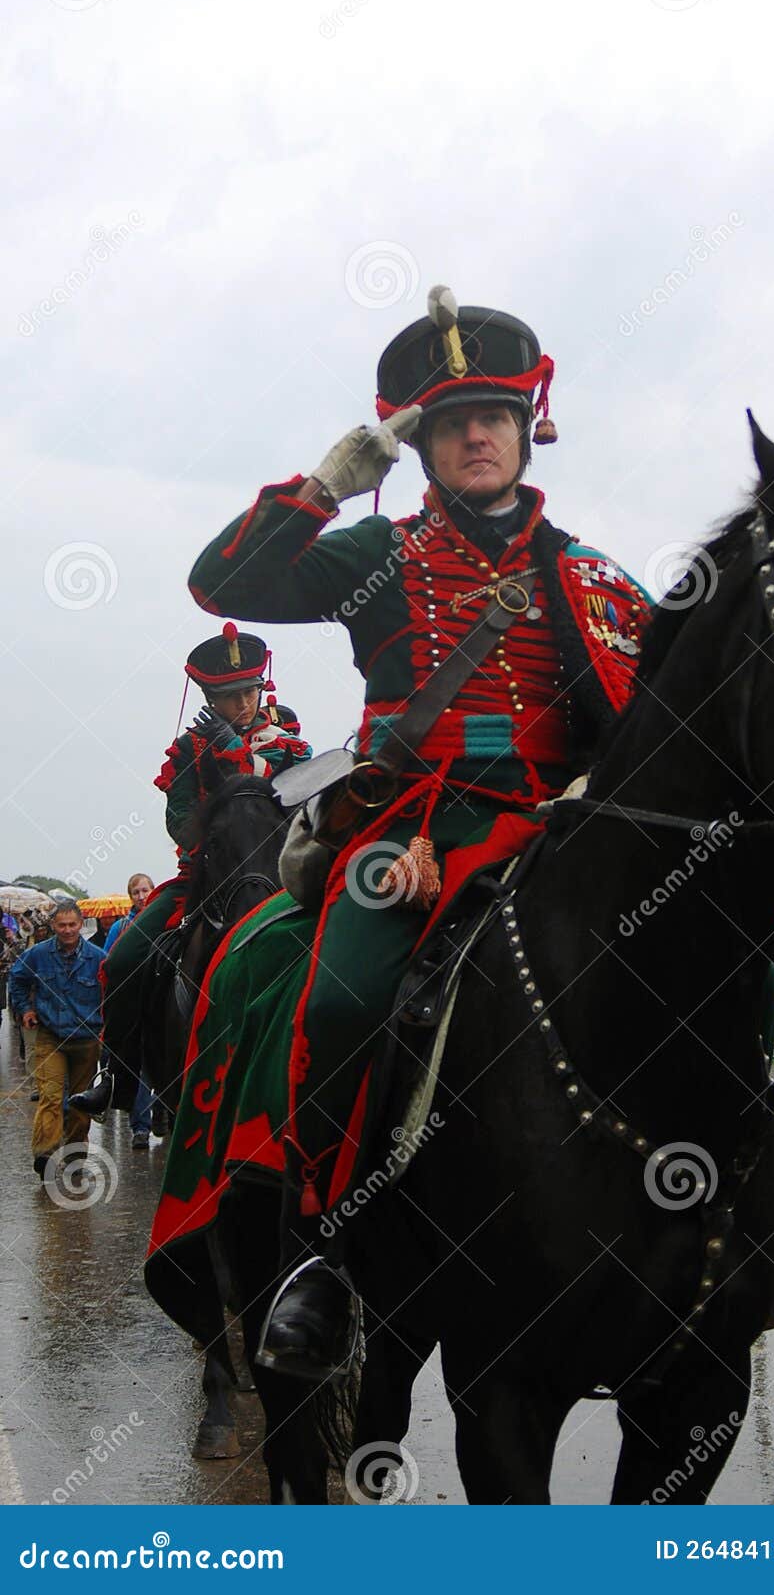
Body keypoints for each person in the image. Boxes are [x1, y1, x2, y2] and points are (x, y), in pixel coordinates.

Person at [178, 285, 652, 1375]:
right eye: (448, 422)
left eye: (493, 416)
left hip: (557, 827)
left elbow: (653, 718)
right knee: (344, 996)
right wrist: (330, 481)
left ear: (527, 430)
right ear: (421, 443)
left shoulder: (590, 573)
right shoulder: (375, 554)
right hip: (410, 823)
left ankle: (726, 1226)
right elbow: (224, 582)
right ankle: (329, 1255)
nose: (475, 435)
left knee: (715, 959)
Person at [100, 631, 312, 1109]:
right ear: (208, 698)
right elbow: (182, 827)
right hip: (204, 876)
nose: (242, 702)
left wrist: (237, 754)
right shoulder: (188, 749)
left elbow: (298, 800)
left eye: (250, 690)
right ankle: (118, 1074)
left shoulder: (287, 745)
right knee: (123, 959)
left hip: (281, 876)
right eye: (228, 695)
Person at [8, 901, 105, 1178]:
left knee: (79, 1102)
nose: (67, 930)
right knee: (50, 1098)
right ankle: (46, 1154)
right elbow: (17, 979)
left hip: (86, 1039)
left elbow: (111, 991)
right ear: (53, 926)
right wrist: (25, 1009)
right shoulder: (38, 955)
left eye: (72, 925)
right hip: (50, 1035)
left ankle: (75, 1156)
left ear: (81, 924)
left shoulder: (98, 957)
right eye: (61, 925)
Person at [103, 874, 157, 1148]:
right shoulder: (121, 926)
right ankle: (140, 1127)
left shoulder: (166, 919)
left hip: (159, 998)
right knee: (138, 1067)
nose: (141, 895)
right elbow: (110, 964)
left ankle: (163, 1113)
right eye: (135, 891)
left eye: (145, 890)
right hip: (133, 1004)